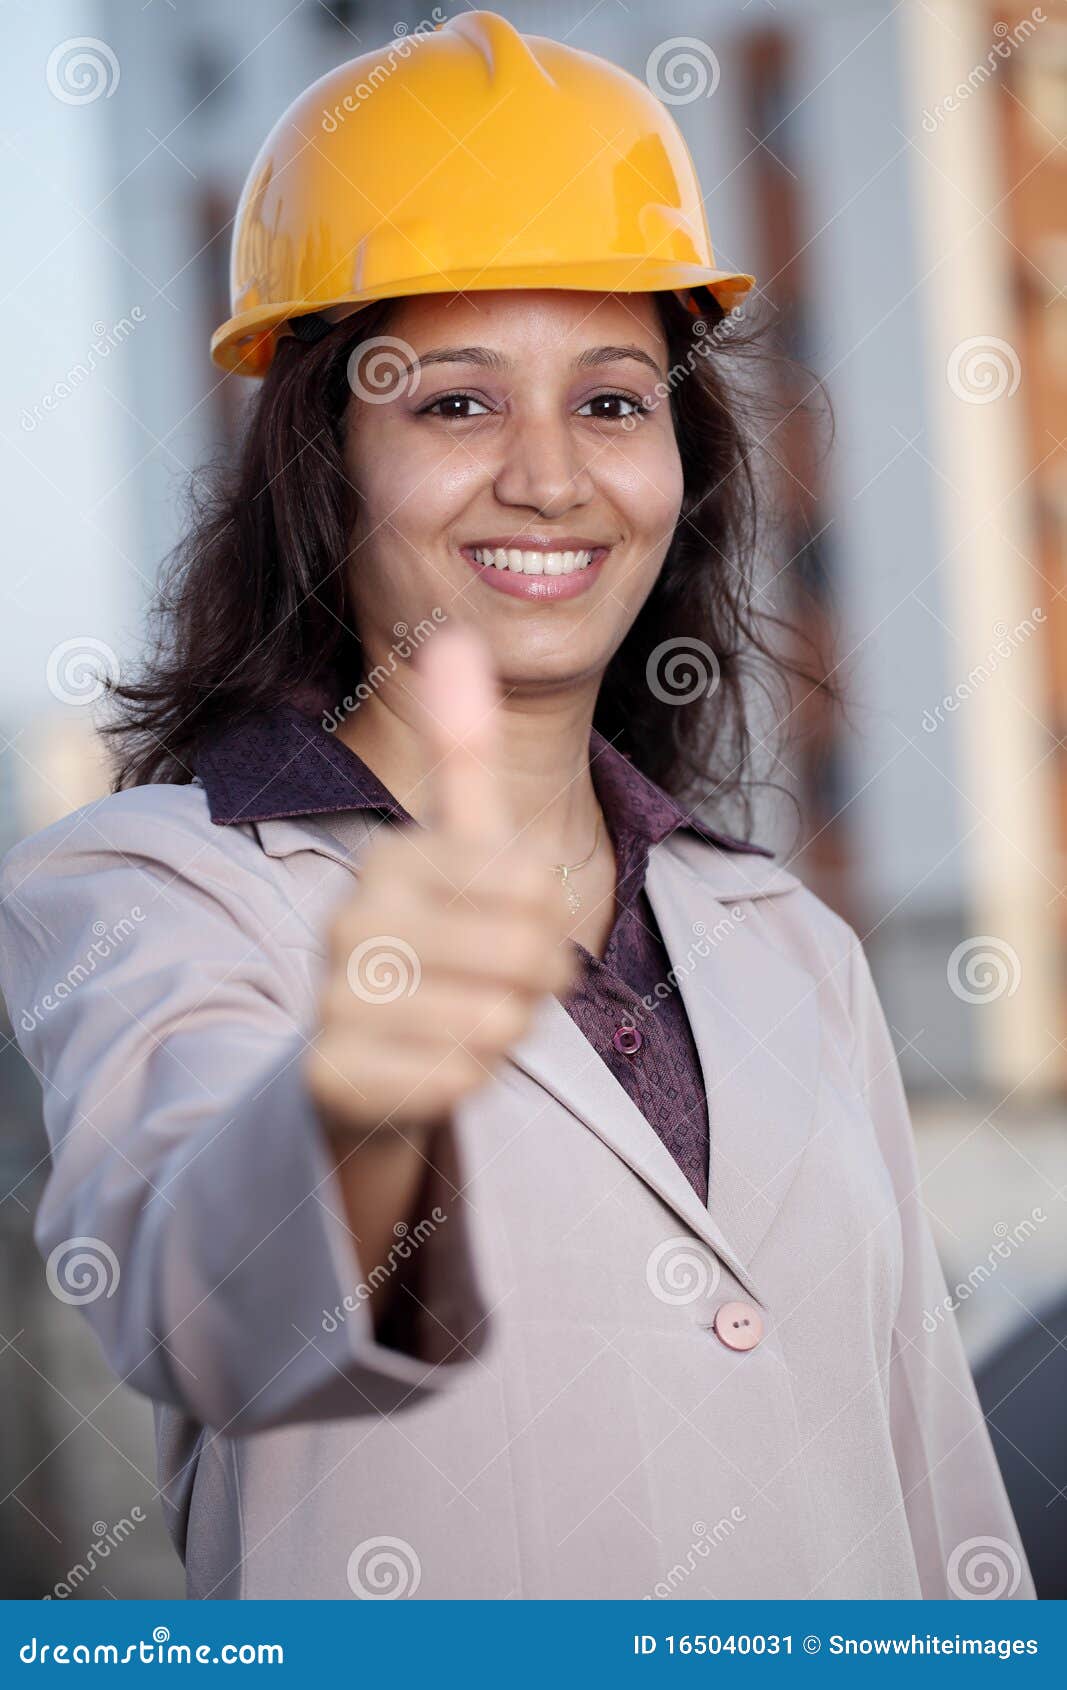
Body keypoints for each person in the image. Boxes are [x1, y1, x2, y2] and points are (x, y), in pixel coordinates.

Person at [0, 11, 1033, 1601]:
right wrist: (355, 1109)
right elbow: (193, 1300)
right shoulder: (146, 888)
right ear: (320, 460)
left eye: (614, 402)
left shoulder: (790, 944)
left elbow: (936, 1480)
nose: (551, 478)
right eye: (456, 402)